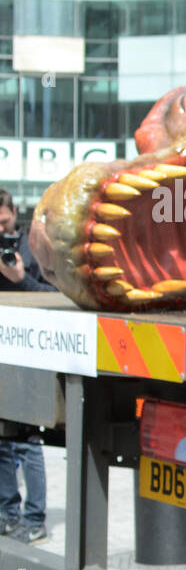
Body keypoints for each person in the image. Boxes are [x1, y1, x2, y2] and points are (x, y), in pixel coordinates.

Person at [0, 189, 54, 543]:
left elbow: (55, 297)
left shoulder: (32, 248)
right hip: (2, 355)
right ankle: (8, 513)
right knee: (2, 442)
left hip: (29, 357)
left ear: (14, 213)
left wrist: (22, 279)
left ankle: (35, 518)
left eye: (4, 222)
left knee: (27, 443)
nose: (1, 230)